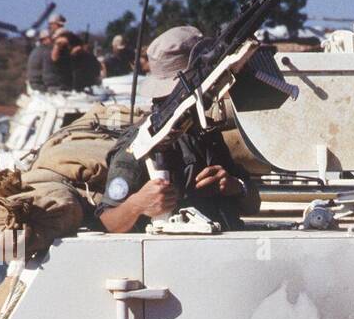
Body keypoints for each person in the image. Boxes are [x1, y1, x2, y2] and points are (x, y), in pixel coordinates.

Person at [96, 26, 251, 234]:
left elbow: (253, 204)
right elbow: (107, 222)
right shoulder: (141, 142)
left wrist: (236, 186)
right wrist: (138, 205)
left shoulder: (205, 132)